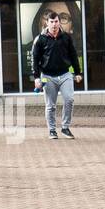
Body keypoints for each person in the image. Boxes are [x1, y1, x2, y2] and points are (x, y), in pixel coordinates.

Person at [31, 10, 83, 139]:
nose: (54, 24)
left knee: (69, 100)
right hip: (48, 76)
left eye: (56, 22)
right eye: (52, 22)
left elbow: (73, 55)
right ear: (46, 23)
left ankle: (65, 128)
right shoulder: (40, 39)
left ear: (59, 23)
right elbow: (35, 59)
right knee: (50, 106)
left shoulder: (66, 37)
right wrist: (37, 77)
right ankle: (52, 130)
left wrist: (77, 72)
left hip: (65, 74)